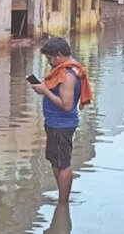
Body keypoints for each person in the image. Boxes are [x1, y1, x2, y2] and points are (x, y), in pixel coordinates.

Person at [30, 37, 93, 204]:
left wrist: (45, 91)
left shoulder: (68, 75)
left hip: (61, 125)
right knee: (55, 161)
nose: (49, 63)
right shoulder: (65, 70)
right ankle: (62, 197)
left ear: (58, 55)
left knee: (62, 163)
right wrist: (45, 86)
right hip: (55, 123)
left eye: (50, 59)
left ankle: (63, 203)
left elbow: (66, 105)